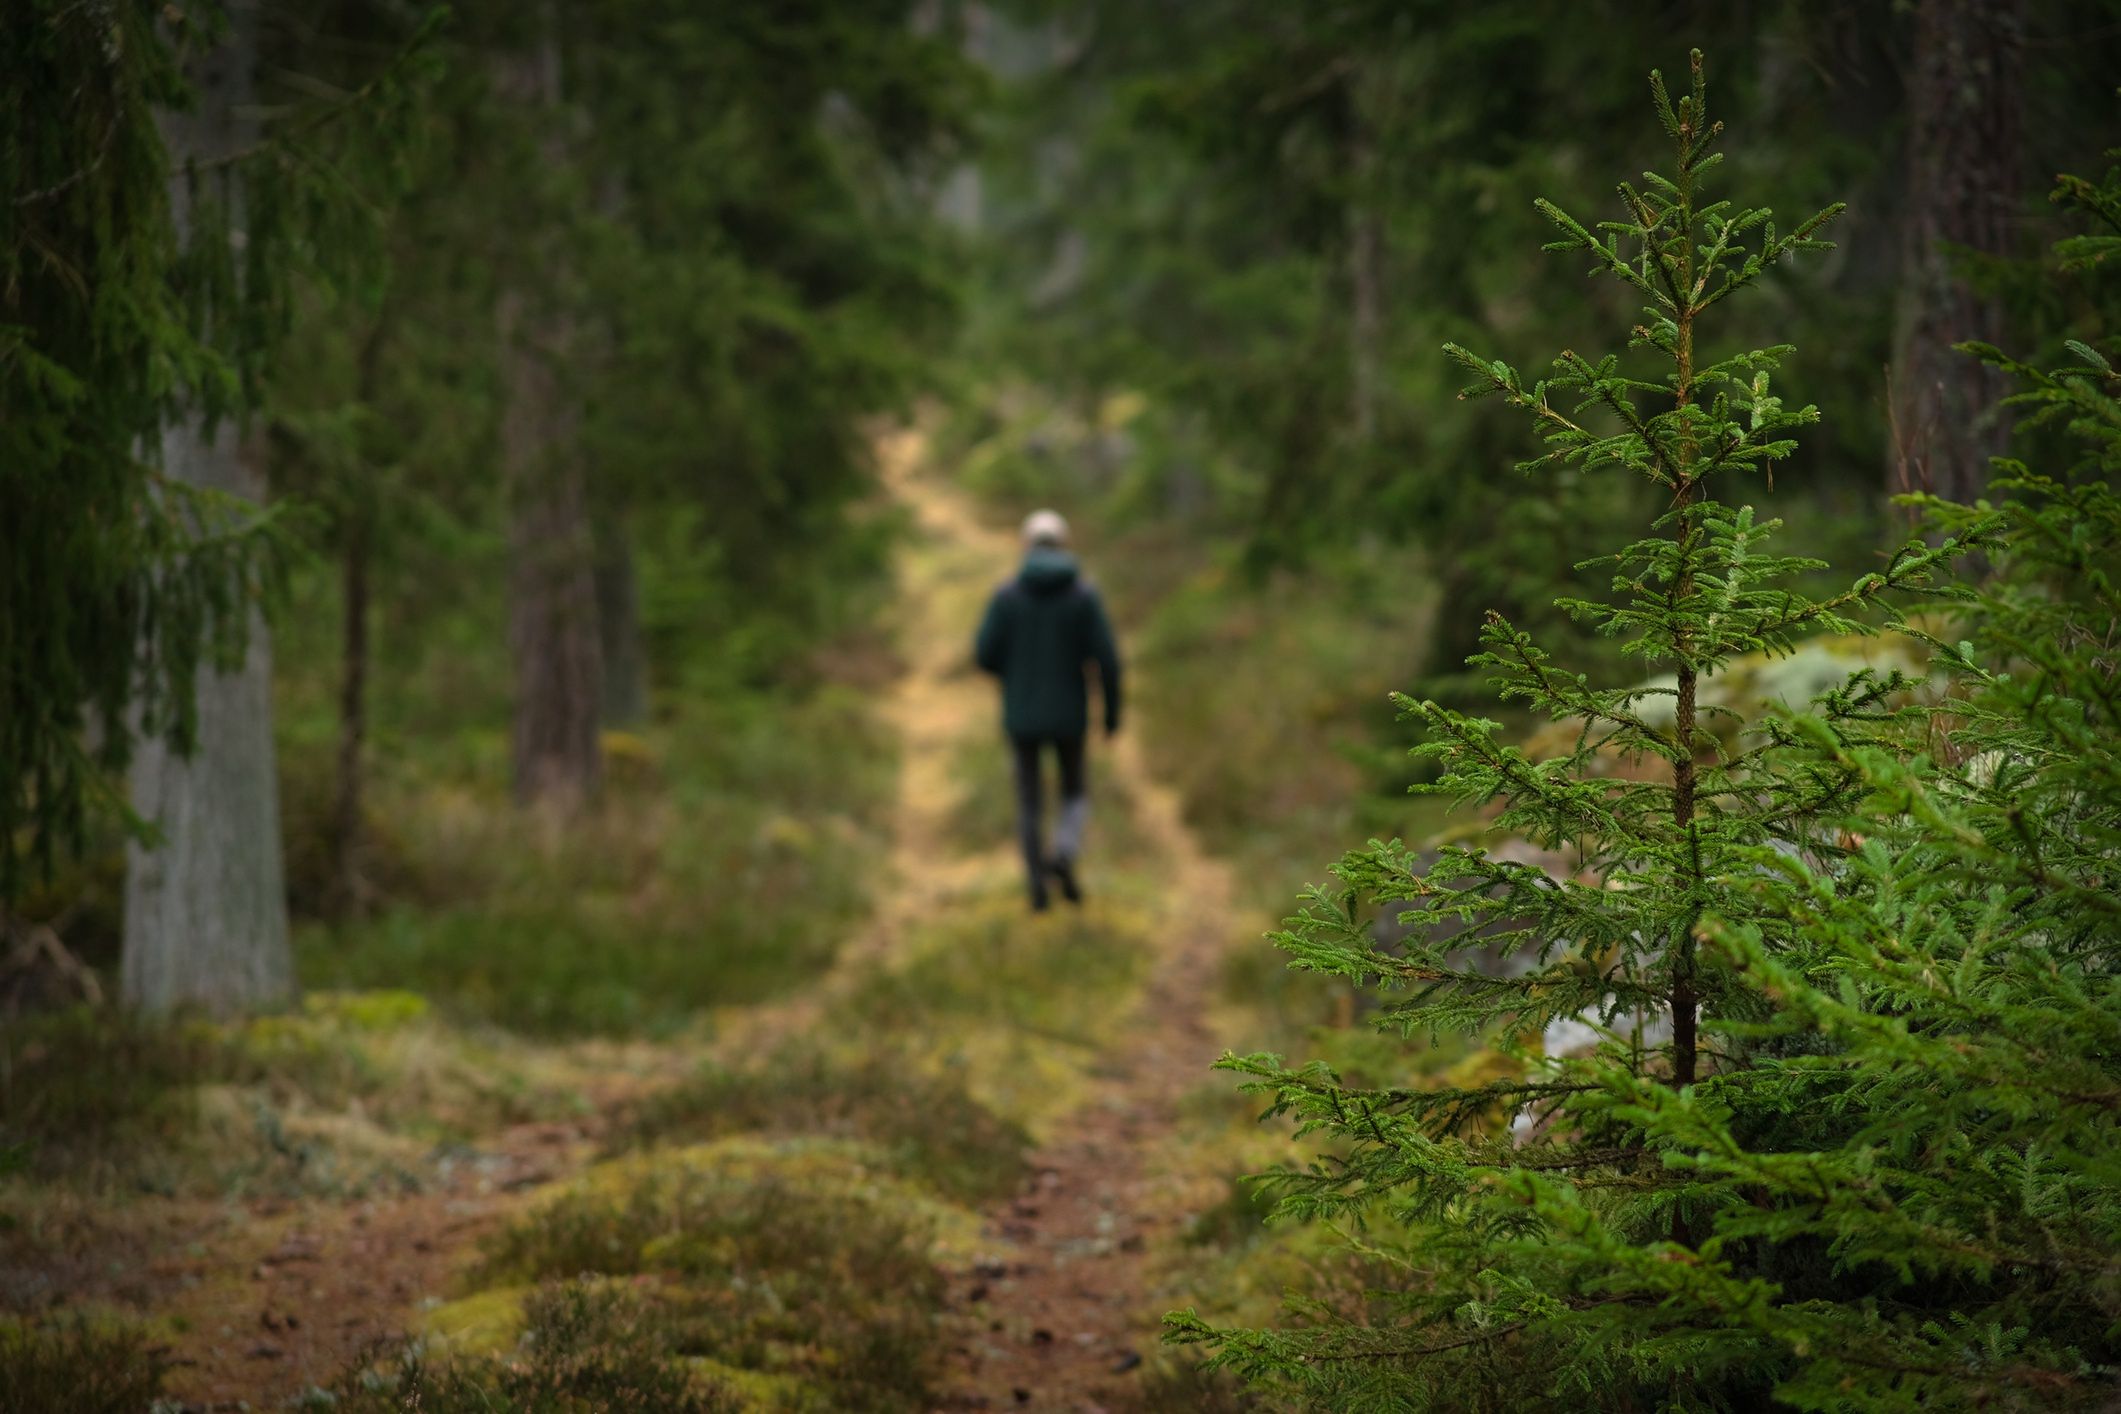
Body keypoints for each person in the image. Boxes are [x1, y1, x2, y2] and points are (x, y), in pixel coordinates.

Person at [974, 509, 1122, 911]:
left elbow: (984, 655)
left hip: (1021, 717)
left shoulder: (1007, 596)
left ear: (1026, 544)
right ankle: (1063, 855)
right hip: (1070, 717)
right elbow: (1107, 661)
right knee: (1074, 791)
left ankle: (1037, 888)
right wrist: (1110, 716)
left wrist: (1014, 671)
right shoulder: (1083, 596)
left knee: (1029, 801)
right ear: (1064, 544)